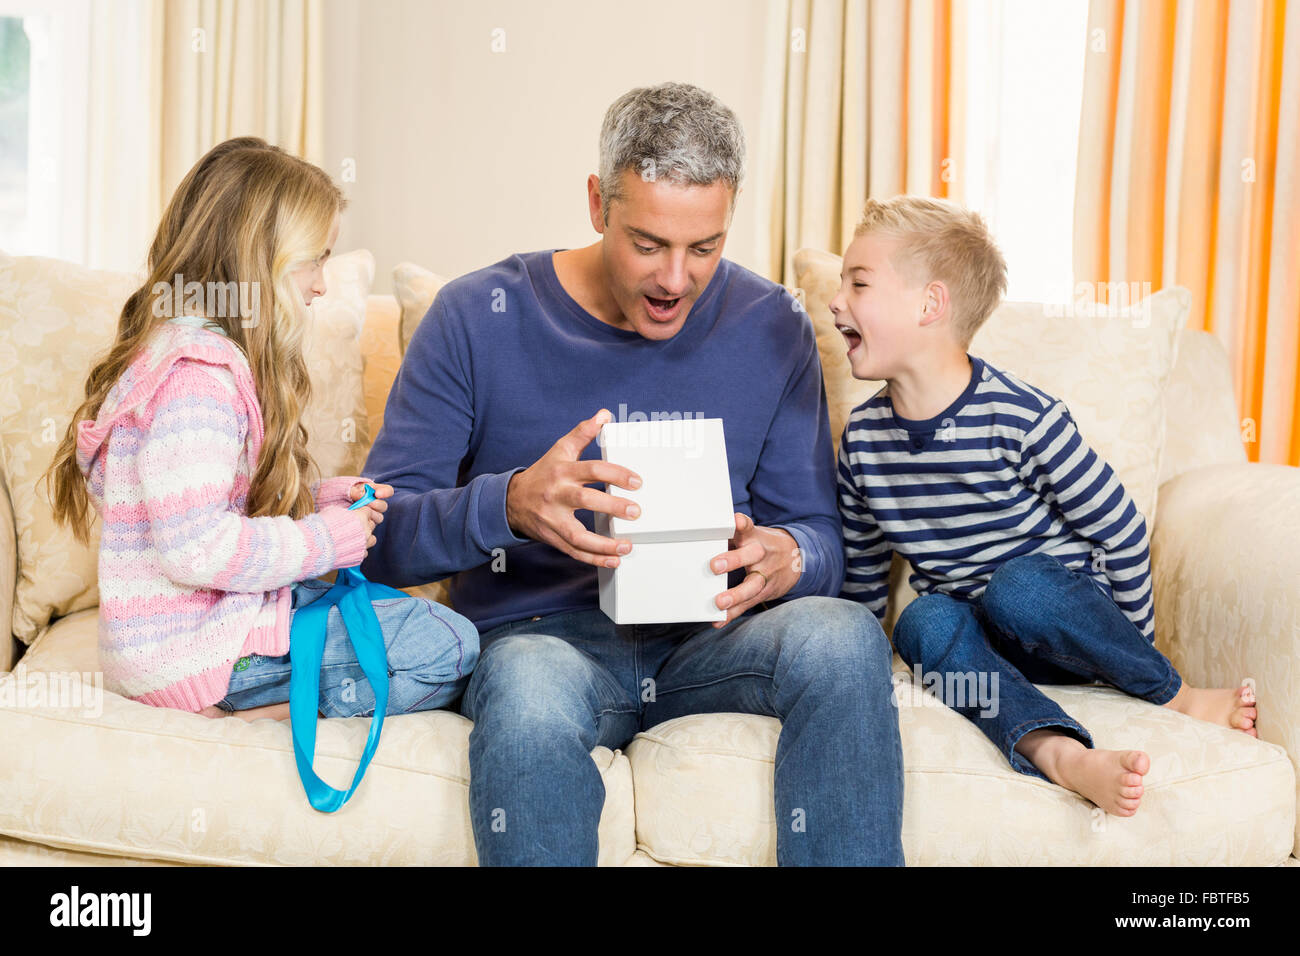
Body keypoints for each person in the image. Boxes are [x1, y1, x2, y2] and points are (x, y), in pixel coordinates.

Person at [360, 82, 904, 865]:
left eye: (705, 248)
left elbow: (822, 540)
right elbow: (378, 542)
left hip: (714, 641)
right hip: (544, 642)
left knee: (845, 635)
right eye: (648, 244)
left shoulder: (772, 323)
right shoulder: (476, 315)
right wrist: (506, 505)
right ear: (596, 203)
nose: (676, 280)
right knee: (527, 689)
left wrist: (791, 557)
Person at [833, 194, 1258, 817]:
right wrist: (858, 668)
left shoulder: (1022, 416)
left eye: (858, 283)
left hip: (1065, 630)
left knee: (1020, 588)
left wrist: (1133, 653)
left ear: (930, 304)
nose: (836, 300)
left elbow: (1119, 527)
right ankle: (1062, 755)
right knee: (921, 621)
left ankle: (1177, 694)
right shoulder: (864, 442)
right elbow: (863, 574)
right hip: (983, 652)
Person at [43, 136, 478, 722]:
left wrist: (319, 504)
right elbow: (197, 547)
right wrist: (324, 540)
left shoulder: (183, 357)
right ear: (259, 261)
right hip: (193, 657)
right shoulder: (198, 379)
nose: (322, 284)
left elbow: (194, 509)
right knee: (449, 646)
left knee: (418, 628)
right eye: (315, 260)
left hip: (204, 638)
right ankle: (237, 720)